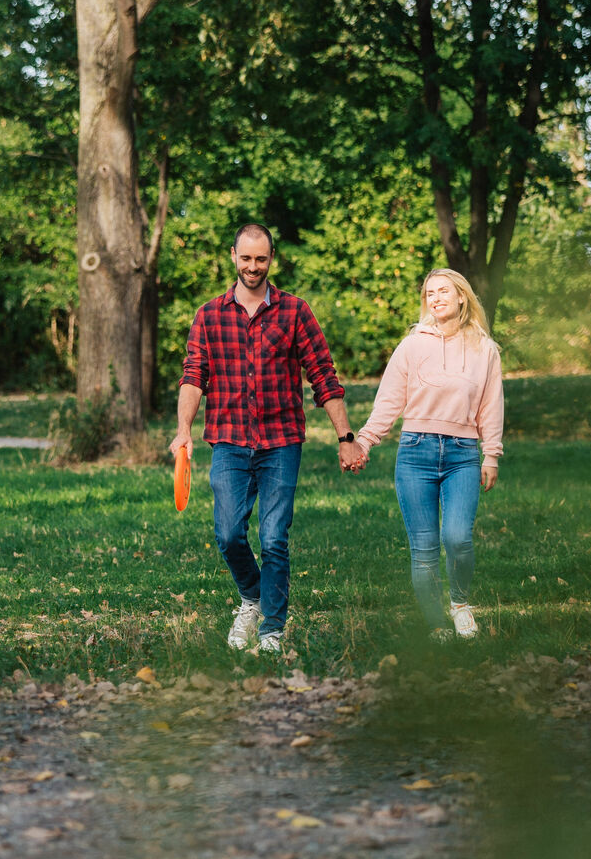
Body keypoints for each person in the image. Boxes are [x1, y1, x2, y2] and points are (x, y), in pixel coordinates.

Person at [170, 224, 364, 655]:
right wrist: (184, 429)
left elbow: (323, 377)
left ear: (271, 258)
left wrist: (345, 437)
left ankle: (271, 629)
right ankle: (252, 598)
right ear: (233, 257)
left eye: (261, 259)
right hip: (229, 441)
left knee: (274, 537)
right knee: (228, 535)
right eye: (246, 258)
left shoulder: (295, 312)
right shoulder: (210, 314)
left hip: (280, 442)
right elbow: (193, 375)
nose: (253, 267)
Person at [346, 268, 504, 639]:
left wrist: (491, 454)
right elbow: (389, 401)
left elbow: (491, 405)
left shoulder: (484, 349)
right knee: (424, 549)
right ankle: (436, 623)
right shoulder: (412, 345)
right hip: (415, 453)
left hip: (462, 454)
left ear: (461, 296)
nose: (435, 298)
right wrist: (364, 441)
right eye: (429, 293)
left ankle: (460, 603)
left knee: (458, 538)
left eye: (443, 291)